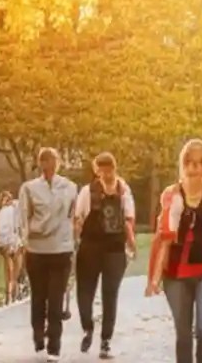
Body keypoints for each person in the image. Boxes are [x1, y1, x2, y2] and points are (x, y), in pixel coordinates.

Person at [146, 140, 202, 363]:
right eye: (189, 162)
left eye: (201, 162)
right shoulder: (171, 194)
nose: (195, 167)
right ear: (183, 165)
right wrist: (154, 278)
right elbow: (163, 237)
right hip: (177, 273)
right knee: (183, 334)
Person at [74, 152, 137, 359]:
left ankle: (106, 341)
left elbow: (128, 219)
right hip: (90, 246)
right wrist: (74, 241)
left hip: (114, 248)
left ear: (114, 168)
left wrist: (131, 243)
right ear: (96, 171)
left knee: (110, 294)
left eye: (109, 169)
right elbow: (78, 218)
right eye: (102, 170)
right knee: (85, 292)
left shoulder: (124, 191)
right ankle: (88, 327)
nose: (106, 174)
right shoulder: (87, 192)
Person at [19, 147, 78, 362]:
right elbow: (23, 218)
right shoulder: (29, 188)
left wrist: (73, 242)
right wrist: (24, 242)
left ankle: (54, 345)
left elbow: (74, 216)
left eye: (52, 161)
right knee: (39, 296)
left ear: (58, 163)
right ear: (40, 164)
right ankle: (38, 335)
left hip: (61, 249)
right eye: (44, 161)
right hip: (37, 250)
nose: (49, 166)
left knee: (55, 299)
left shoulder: (70, 187)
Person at [0, 190, 24, 303]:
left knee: (16, 270)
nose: (7, 201)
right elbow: (0, 229)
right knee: (9, 270)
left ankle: (14, 292)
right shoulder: (0, 213)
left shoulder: (15, 209)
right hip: (6, 242)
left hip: (16, 242)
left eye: (8, 198)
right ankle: (8, 294)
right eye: (4, 199)